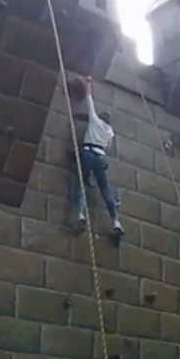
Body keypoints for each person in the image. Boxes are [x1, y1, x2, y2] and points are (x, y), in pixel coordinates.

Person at [67, 75, 123, 237]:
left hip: (88, 154)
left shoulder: (94, 120)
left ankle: (81, 215)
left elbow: (89, 98)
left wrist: (88, 83)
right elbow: (108, 147)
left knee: (81, 184)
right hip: (101, 157)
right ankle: (116, 222)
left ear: (101, 117)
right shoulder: (110, 132)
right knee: (105, 189)